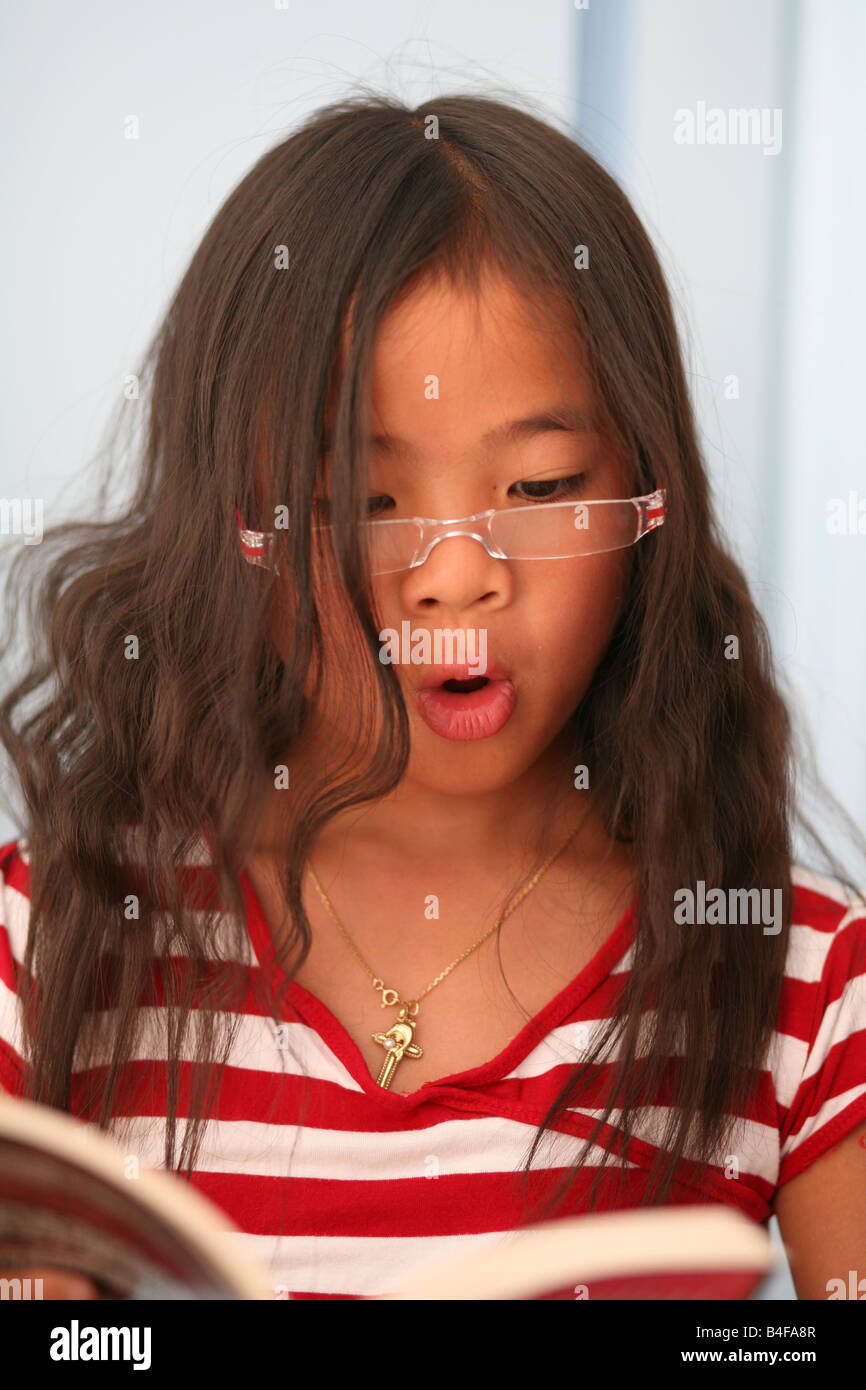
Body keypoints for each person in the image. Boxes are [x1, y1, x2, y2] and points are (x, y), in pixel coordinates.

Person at [0, 91, 864, 1301]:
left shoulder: (803, 984)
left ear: (649, 497)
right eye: (363, 500)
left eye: (542, 482)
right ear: (235, 518)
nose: (457, 576)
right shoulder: (52, 947)